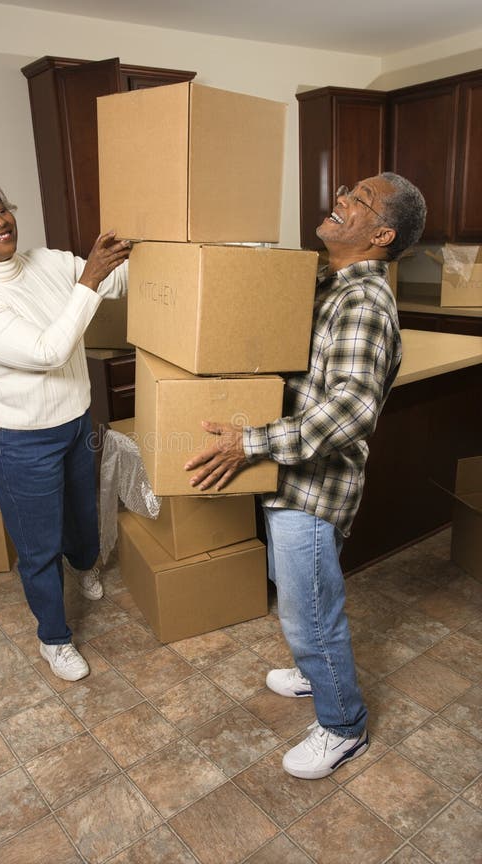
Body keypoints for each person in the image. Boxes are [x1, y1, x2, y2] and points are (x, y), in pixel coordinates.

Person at [185, 173, 427, 779]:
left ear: (382, 235)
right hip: (288, 477)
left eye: (359, 199)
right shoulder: (326, 284)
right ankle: (309, 670)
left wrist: (251, 443)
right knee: (296, 589)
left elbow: (351, 409)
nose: (341, 199)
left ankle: (344, 725)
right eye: (348, 189)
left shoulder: (364, 303)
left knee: (310, 611)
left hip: (316, 488)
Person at [0, 175, 131, 682]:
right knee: (38, 544)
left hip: (76, 420)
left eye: (1, 208)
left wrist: (149, 255)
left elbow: (113, 281)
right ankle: (54, 638)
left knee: (82, 515)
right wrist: (89, 280)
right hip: (21, 440)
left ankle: (84, 566)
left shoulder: (47, 261)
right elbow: (49, 352)